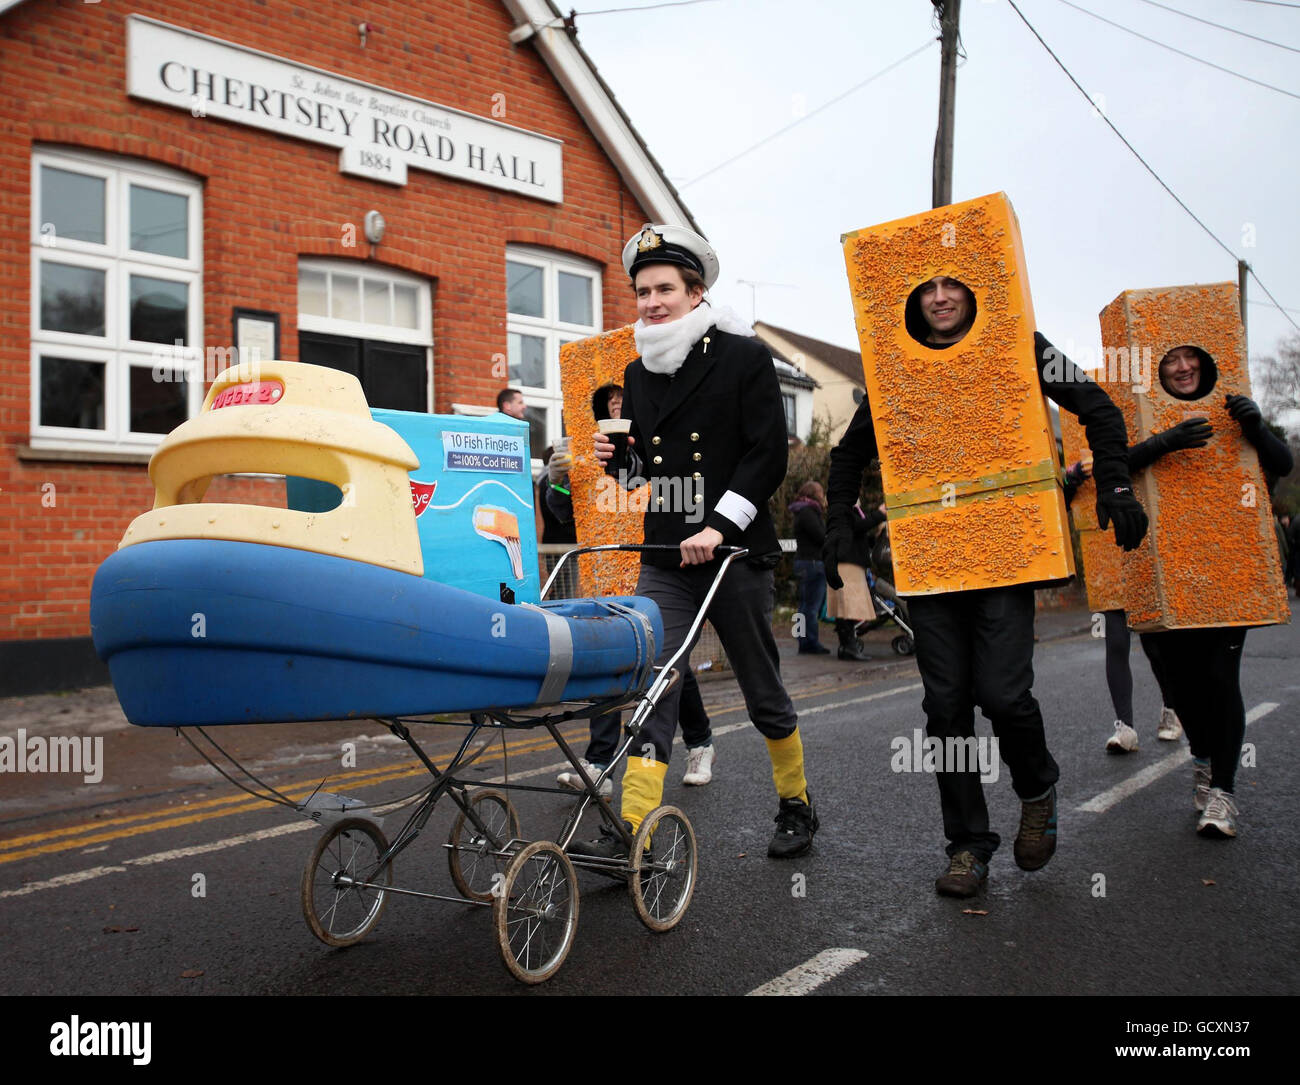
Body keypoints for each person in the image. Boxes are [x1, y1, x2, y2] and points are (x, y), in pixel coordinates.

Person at [826, 273, 1148, 898]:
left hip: (1006, 555)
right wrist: (841, 522)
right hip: (931, 560)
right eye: (927, 288)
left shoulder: (1021, 344)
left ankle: (1036, 788)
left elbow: (1100, 407)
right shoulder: (895, 366)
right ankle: (968, 846)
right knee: (946, 709)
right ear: (912, 299)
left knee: (1002, 697)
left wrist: (1113, 482)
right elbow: (847, 455)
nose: (941, 297)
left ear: (977, 291)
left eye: (953, 285)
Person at [572, 222, 818, 861]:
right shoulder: (637, 367)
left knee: (761, 685)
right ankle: (632, 824)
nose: (651, 303)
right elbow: (643, 475)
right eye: (642, 292)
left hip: (732, 549)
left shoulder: (741, 355)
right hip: (666, 553)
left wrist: (719, 527)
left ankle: (795, 804)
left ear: (697, 292)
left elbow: (767, 454)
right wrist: (614, 458)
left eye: (664, 290)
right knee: (653, 684)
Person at [1137, 346, 1292, 838]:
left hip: (1229, 563)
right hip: (1165, 568)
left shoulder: (1236, 409)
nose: (1182, 368)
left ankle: (1222, 793)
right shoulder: (1139, 412)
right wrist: (1164, 442)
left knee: (1221, 679)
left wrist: (1257, 428)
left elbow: (1281, 464)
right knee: (1181, 684)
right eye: (1171, 360)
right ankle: (1202, 759)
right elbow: (1113, 463)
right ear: (1157, 369)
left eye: (1190, 358)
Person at [544, 384, 718, 792]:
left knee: (666, 664)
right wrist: (557, 481)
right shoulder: (590, 452)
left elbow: (686, 501)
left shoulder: (661, 448)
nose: (616, 408)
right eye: (609, 404)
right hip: (606, 571)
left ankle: (699, 742)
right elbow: (563, 512)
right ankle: (599, 764)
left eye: (623, 401)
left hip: (654, 567)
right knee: (612, 660)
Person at [1060, 416, 1216, 754]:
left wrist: (1159, 443)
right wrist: (1071, 476)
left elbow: (1124, 464)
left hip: (1141, 544)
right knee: (1115, 641)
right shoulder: (1080, 446)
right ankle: (1125, 727)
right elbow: (1062, 497)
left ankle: (1171, 710)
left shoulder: (1126, 432)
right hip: (1104, 554)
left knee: (1156, 644)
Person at [789, 481, 831, 655]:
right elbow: (821, 536)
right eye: (821, 491)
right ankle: (810, 642)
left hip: (803, 563)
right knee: (811, 607)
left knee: (804, 606)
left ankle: (802, 640)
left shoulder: (802, 511)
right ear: (815, 494)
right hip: (812, 563)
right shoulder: (809, 512)